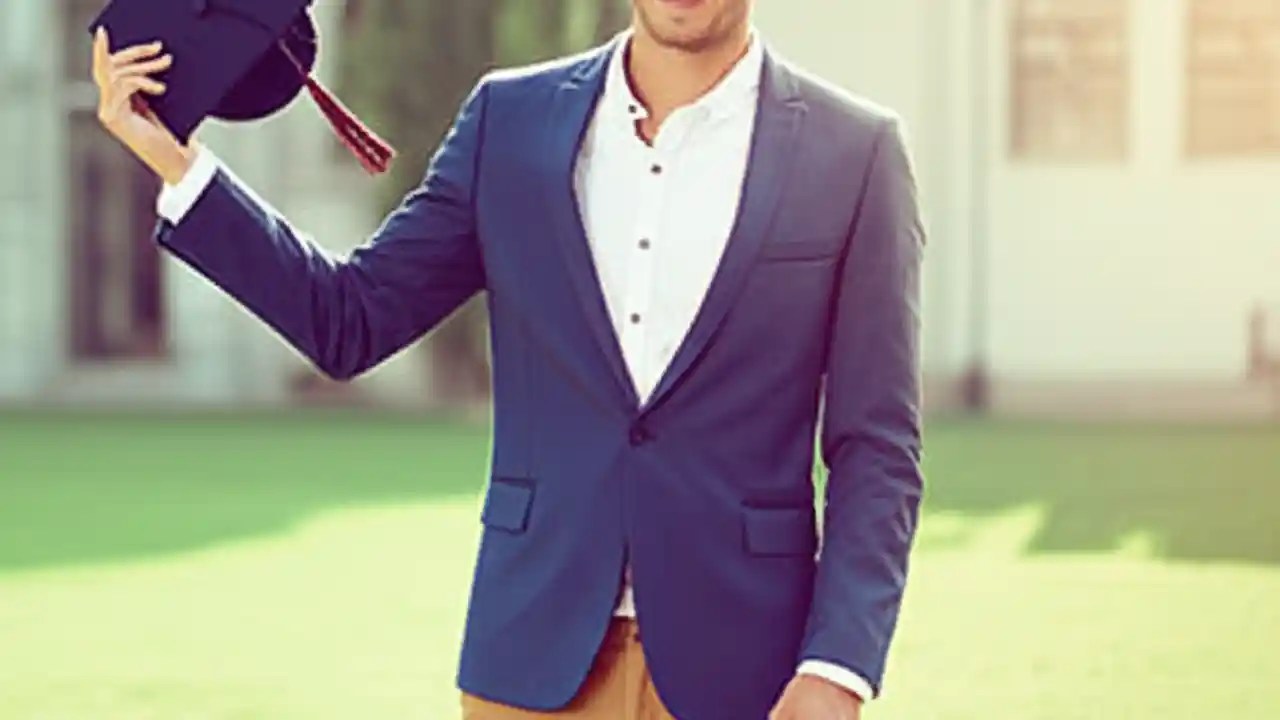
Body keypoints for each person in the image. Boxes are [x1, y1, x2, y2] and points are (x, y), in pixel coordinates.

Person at [91, 0, 925, 717]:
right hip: (531, 665)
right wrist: (174, 161)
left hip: (753, 675)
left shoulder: (854, 153)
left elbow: (877, 448)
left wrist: (838, 667)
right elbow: (350, 320)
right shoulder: (511, 123)